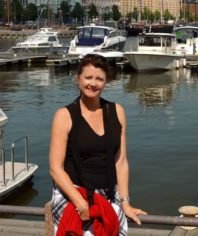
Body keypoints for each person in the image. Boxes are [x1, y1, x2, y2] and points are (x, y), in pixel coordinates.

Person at [49, 53, 146, 235]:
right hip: (74, 195)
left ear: (106, 82)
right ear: (78, 79)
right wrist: (80, 202)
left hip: (109, 195)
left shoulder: (117, 111)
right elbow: (55, 168)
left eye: (99, 79)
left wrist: (125, 203)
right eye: (88, 77)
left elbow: (121, 161)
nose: (93, 83)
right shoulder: (64, 116)